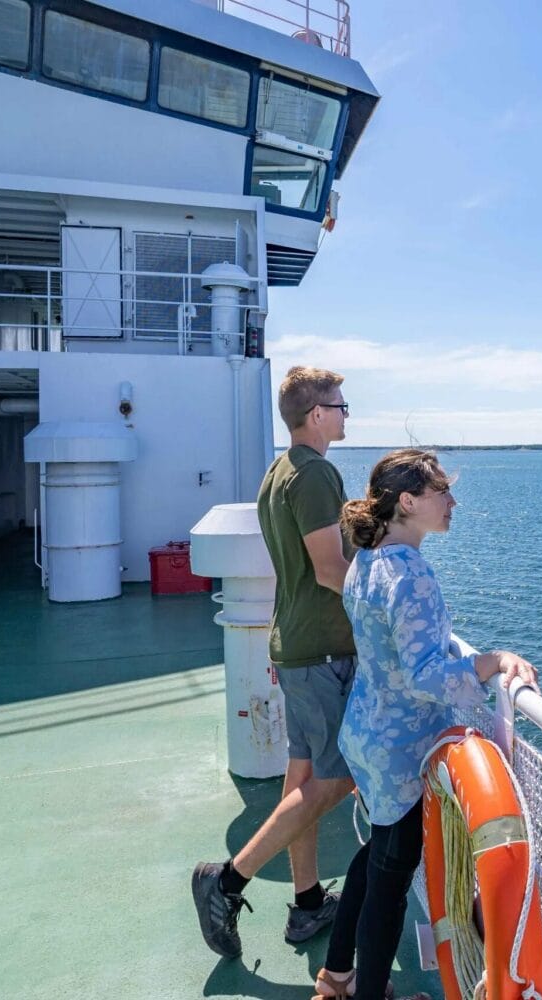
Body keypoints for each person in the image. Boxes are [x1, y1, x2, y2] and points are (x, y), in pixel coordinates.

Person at [311, 449, 538, 1000]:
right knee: (388, 882)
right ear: (408, 502)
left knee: (375, 857)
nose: (453, 502)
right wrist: (492, 660)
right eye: (443, 492)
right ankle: (360, 993)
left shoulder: (367, 560)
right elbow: (426, 676)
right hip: (400, 750)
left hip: (368, 730)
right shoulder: (410, 574)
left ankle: (335, 975)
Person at [192, 366, 360, 957]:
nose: (345, 415)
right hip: (320, 651)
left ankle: (308, 904)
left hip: (295, 643)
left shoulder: (279, 472)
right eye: (341, 406)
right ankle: (228, 881)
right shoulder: (315, 474)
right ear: (316, 415)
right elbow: (329, 568)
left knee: (302, 780)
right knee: (337, 780)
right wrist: (385, 607)